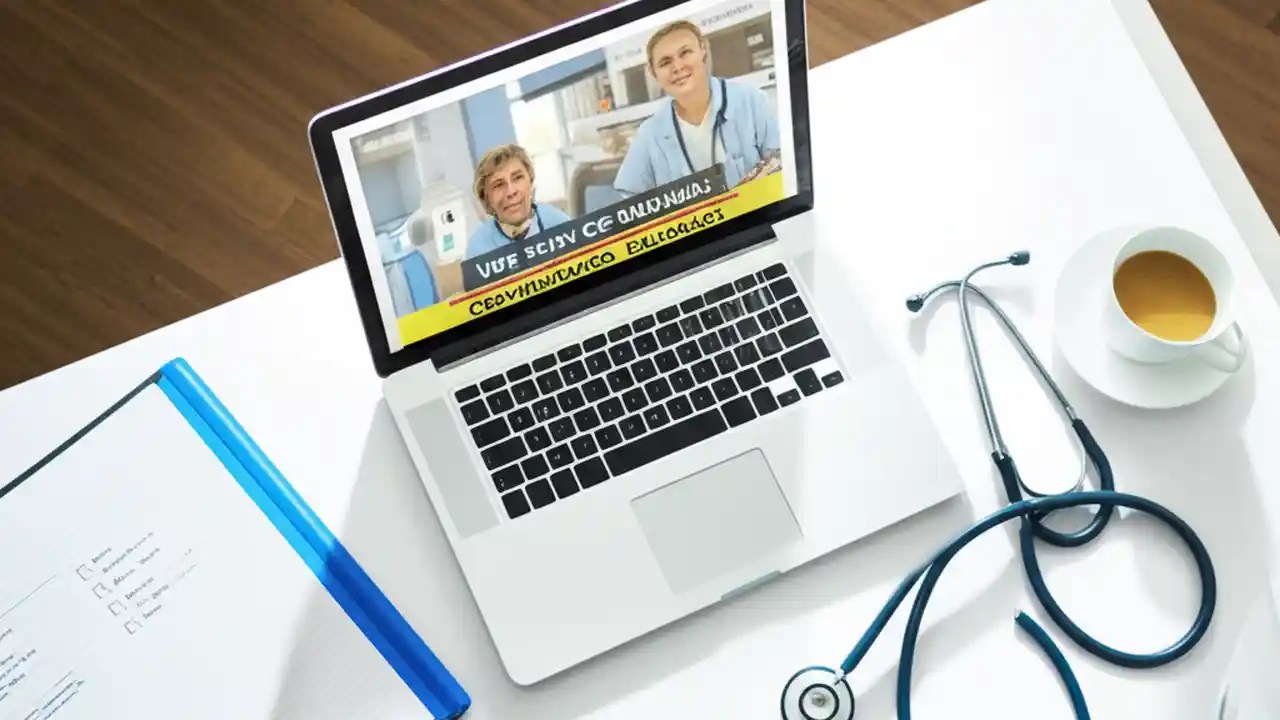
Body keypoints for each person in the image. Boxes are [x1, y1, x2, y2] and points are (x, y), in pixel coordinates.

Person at [613, 20, 782, 197]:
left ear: (703, 51)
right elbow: (629, 199)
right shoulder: (649, 135)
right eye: (665, 62)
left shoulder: (750, 100)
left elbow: (783, 163)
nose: (677, 67)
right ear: (654, 73)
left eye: (685, 53)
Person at [465, 144, 573, 260]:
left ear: (530, 181)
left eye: (517, 178)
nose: (511, 192)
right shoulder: (477, 250)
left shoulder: (561, 224)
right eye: (499, 185)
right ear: (486, 197)